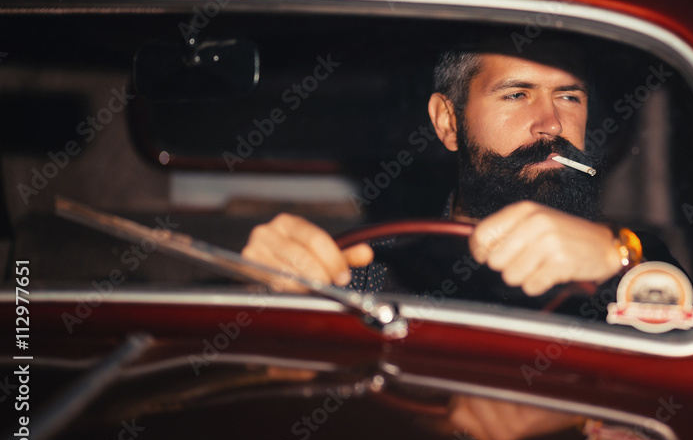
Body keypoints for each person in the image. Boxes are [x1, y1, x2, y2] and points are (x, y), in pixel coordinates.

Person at [241, 40, 645, 299]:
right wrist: (259, 289)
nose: (552, 123)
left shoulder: (633, 258)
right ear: (448, 123)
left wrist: (621, 260)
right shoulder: (374, 272)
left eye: (569, 97)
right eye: (517, 94)